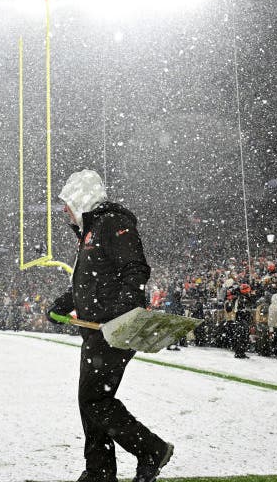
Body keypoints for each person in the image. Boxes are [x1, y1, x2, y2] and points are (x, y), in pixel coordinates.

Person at [46, 169, 173, 482]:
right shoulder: (91, 230)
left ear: (81, 198)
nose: (64, 209)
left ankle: (151, 449)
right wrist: (64, 303)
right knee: (89, 401)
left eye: (67, 202)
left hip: (114, 330)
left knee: (95, 400)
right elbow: (92, 281)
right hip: (96, 330)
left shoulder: (112, 223)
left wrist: (122, 313)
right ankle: (99, 471)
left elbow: (135, 269)